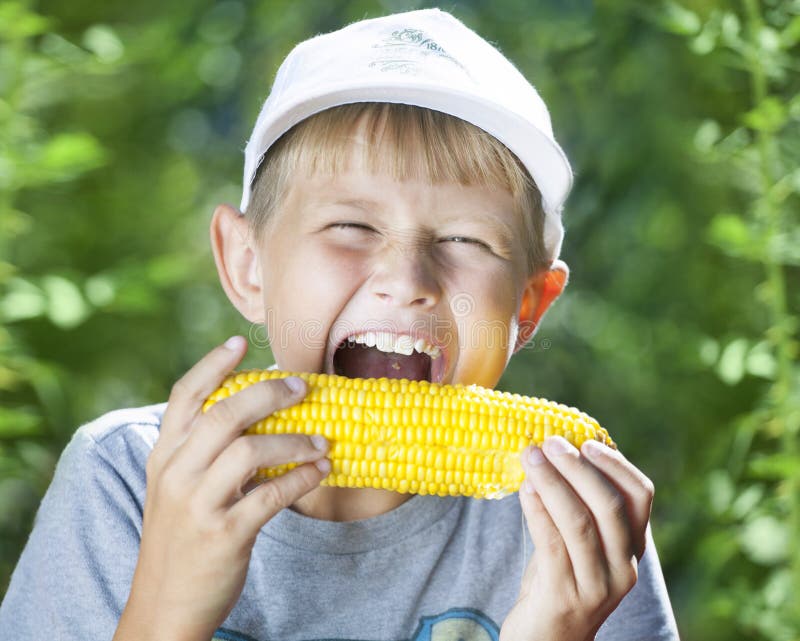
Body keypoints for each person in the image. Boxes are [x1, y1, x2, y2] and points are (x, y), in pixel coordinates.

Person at [0, 8, 679, 641]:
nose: (408, 280)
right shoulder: (128, 482)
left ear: (528, 305)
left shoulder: (578, 526)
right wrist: (163, 608)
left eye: (466, 240)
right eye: (351, 225)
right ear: (248, 264)